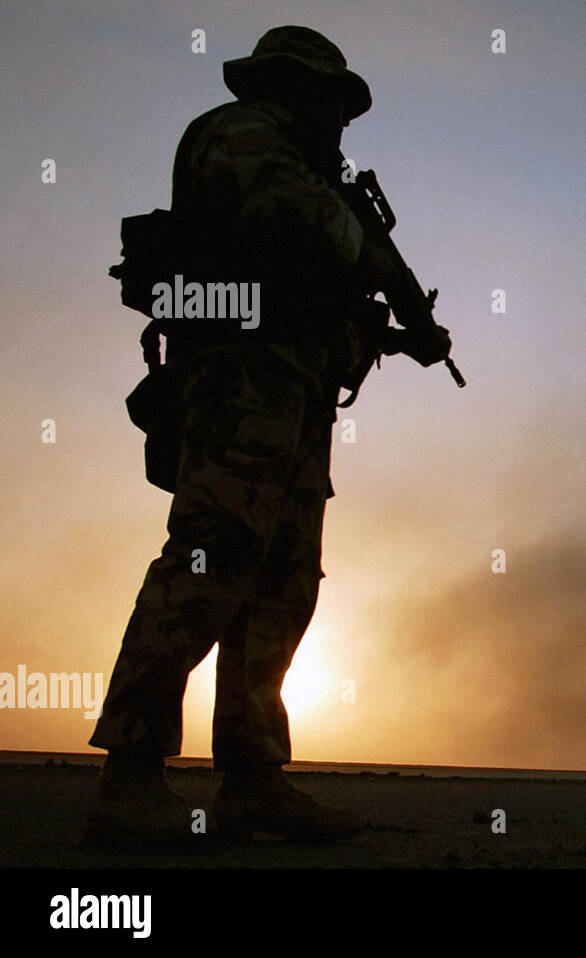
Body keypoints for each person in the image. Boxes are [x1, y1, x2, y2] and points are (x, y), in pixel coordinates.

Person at [85, 25, 448, 846]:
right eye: (333, 103)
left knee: (283, 579)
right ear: (293, 86)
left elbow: (323, 269)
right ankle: (130, 777)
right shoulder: (241, 131)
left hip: (294, 396)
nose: (342, 124)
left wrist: (397, 326)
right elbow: (305, 223)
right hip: (241, 380)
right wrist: (380, 267)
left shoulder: (309, 165)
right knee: (213, 555)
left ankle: (253, 780)